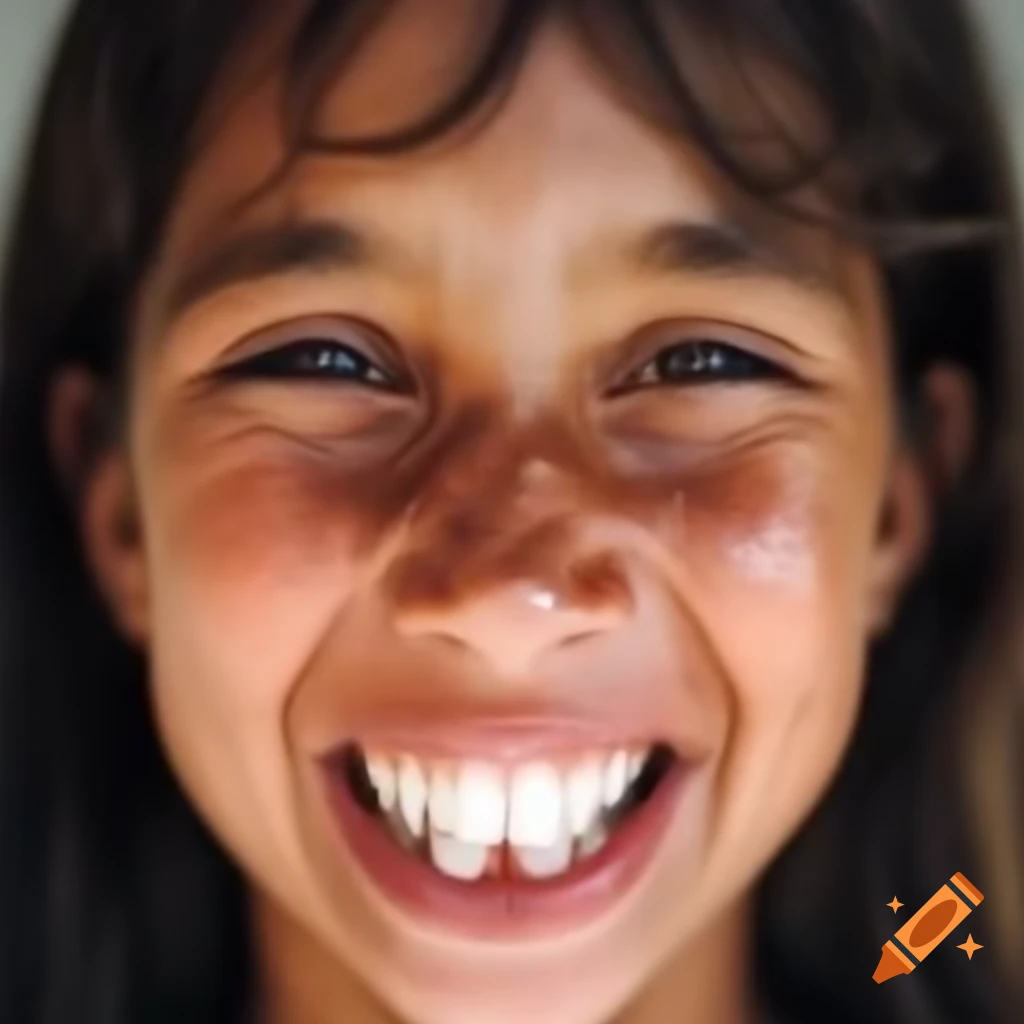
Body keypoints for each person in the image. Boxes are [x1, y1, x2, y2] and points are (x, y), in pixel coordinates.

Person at [0, 0, 1022, 1022]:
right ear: (120, 506)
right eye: (321, 360)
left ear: (898, 501)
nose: (507, 595)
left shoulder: (944, 926)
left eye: (702, 361)